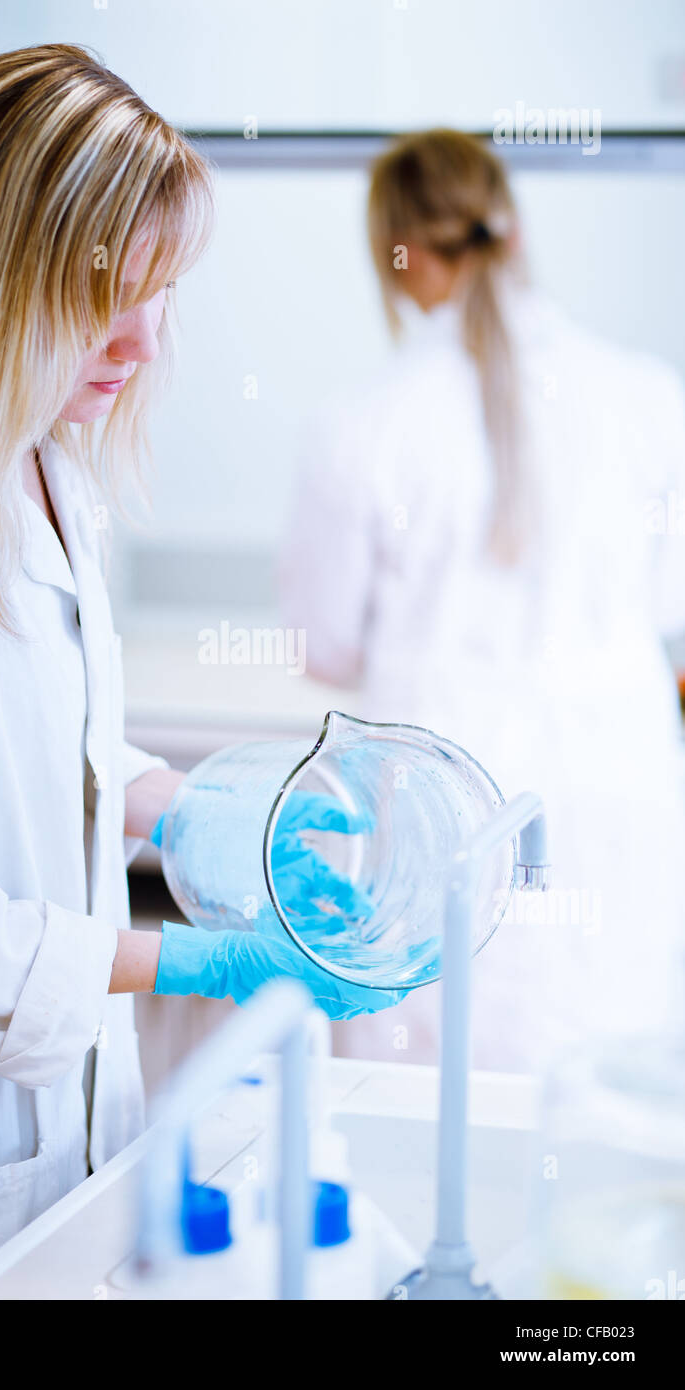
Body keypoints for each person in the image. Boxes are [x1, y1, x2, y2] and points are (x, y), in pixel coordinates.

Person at [0, 44, 400, 1300]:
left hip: (70, 1140)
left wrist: (199, 811)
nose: (142, 343)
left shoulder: (42, 467)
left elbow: (45, 747)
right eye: (107, 295)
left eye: (163, 292)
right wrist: (190, 959)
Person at [281, 129, 685, 1075]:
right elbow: (672, 603)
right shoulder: (648, 399)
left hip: (443, 807)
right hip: (618, 793)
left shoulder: (364, 424)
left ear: (403, 253)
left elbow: (322, 644)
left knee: (435, 1120)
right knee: (607, 1103)